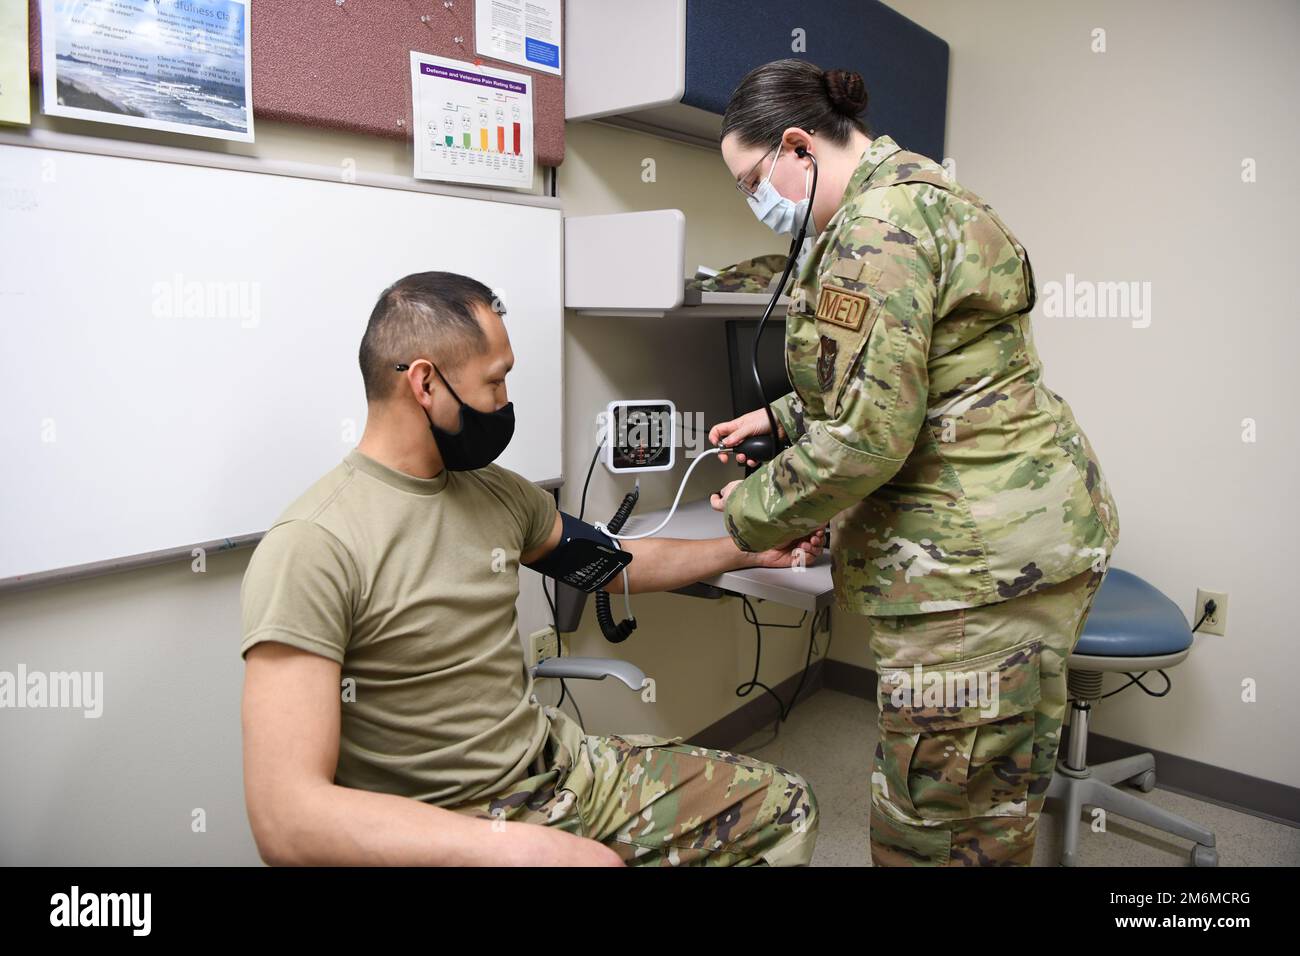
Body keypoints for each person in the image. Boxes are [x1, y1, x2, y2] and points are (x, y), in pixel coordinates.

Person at [240, 271, 822, 866]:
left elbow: (614, 564)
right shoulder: (314, 545)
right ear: (424, 383)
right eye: (495, 382)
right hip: (446, 823)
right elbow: (287, 820)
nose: (505, 403)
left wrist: (744, 548)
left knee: (784, 808)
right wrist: (517, 848)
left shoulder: (496, 494)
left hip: (555, 771)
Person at [710, 60, 1120, 866]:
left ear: (797, 146)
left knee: (935, 824)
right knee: (990, 803)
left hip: (972, 571)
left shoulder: (876, 230)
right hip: (1026, 540)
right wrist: (782, 413)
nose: (754, 201)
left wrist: (750, 517)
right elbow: (921, 371)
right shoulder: (918, 190)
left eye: (751, 179)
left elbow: (868, 437)